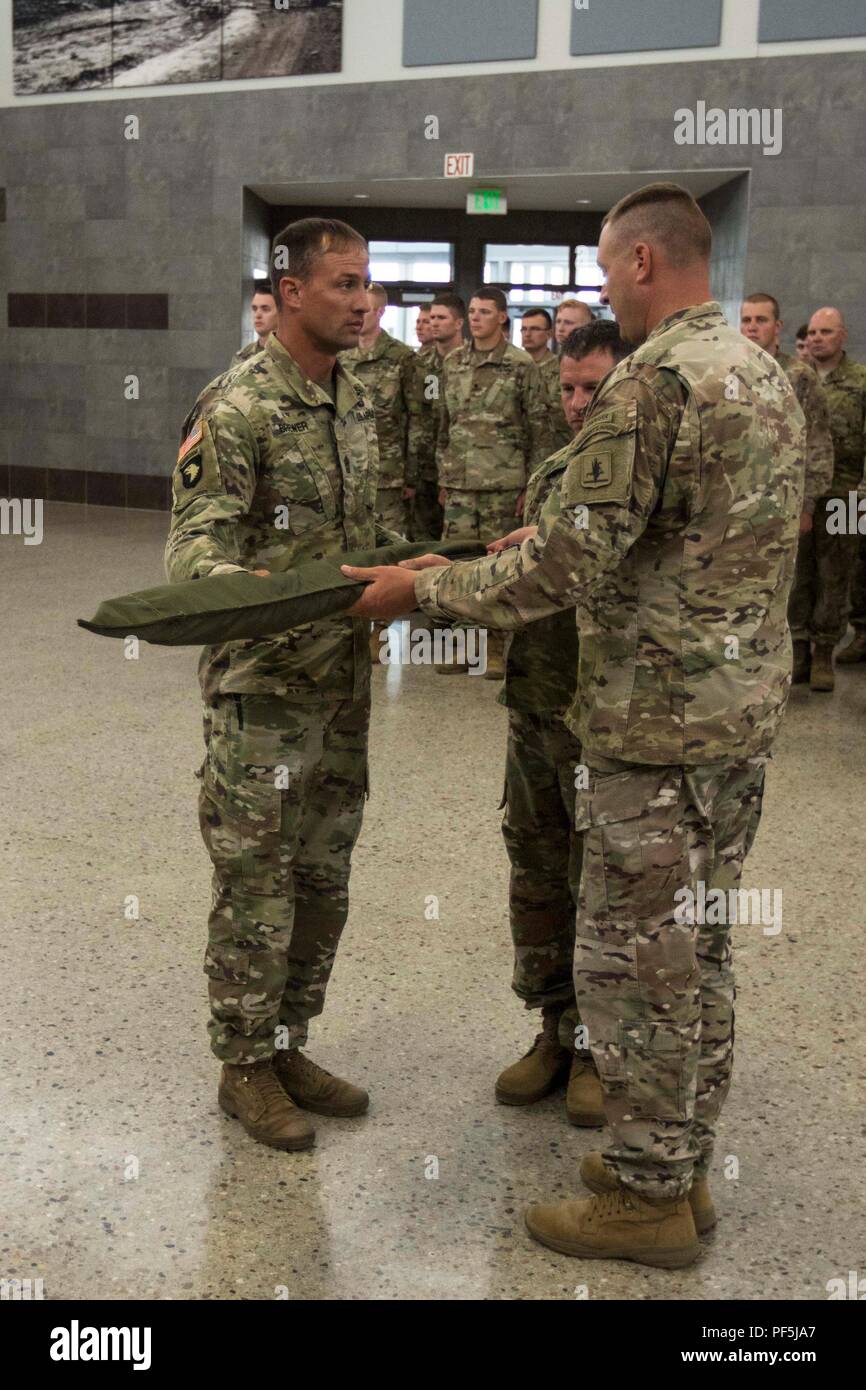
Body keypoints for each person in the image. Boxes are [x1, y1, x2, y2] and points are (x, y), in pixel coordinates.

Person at [342, 182, 804, 1268]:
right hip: (732, 719)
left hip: (655, 728)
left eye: (603, 270)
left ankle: (645, 1201)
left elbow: (564, 564)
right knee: (696, 951)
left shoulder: (654, 382)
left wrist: (421, 593)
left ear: (641, 261)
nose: (603, 290)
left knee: (636, 965)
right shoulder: (756, 370)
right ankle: (677, 1166)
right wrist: (495, 549)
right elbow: (674, 536)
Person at [165, 218, 398, 1154]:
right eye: (345, 284)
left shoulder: (355, 397)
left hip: (342, 687)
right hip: (264, 695)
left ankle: (289, 1042)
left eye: (368, 283)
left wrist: (413, 573)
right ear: (291, 292)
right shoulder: (237, 406)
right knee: (256, 884)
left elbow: (360, 539)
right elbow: (193, 555)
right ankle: (243, 1065)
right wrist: (287, 595)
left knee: (322, 879)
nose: (364, 301)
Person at [494, 320, 627, 1130]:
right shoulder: (553, 467)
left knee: (598, 880)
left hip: (601, 712)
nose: (578, 404)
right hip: (536, 700)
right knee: (538, 870)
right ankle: (552, 1026)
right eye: (569, 388)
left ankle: (597, 1050)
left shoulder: (639, 468)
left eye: (593, 388)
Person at [434, 285, 553, 679]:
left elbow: (538, 428)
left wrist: (531, 487)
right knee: (458, 563)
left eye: (484, 311)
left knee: (500, 566)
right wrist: (444, 475)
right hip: (460, 482)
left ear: (502, 317)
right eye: (472, 311)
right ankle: (462, 645)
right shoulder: (453, 362)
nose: (475, 318)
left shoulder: (521, 365)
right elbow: (444, 424)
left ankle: (497, 648)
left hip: (505, 482)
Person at [739, 293, 834, 687]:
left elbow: (818, 442)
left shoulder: (799, 376)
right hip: (743, 499)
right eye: (746, 320)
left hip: (787, 498)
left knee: (798, 582)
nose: (752, 327)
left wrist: (808, 503)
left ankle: (808, 655)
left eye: (760, 320)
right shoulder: (734, 371)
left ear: (777, 326)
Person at [789, 308, 866, 688]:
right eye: (813, 332)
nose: (817, 338)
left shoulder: (861, 381)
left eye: (826, 332)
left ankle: (824, 653)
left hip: (847, 493)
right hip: (803, 490)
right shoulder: (796, 377)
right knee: (798, 573)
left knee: (837, 574)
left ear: (843, 336)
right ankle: (799, 649)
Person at [407, 291, 465, 541]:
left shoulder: (469, 362)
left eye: (440, 318)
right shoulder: (420, 363)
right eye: (432, 318)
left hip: (459, 466)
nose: (433, 323)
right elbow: (412, 413)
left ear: (458, 323)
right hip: (424, 466)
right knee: (421, 538)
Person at [520, 309, 571, 452]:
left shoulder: (562, 368)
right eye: (524, 329)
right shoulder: (513, 367)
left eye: (535, 329)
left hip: (554, 449)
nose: (527, 334)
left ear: (549, 334)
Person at [230, 283, 278, 367]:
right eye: (254, 309)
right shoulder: (242, 356)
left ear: (281, 313)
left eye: (265, 309)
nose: (257, 315)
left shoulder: (293, 354)